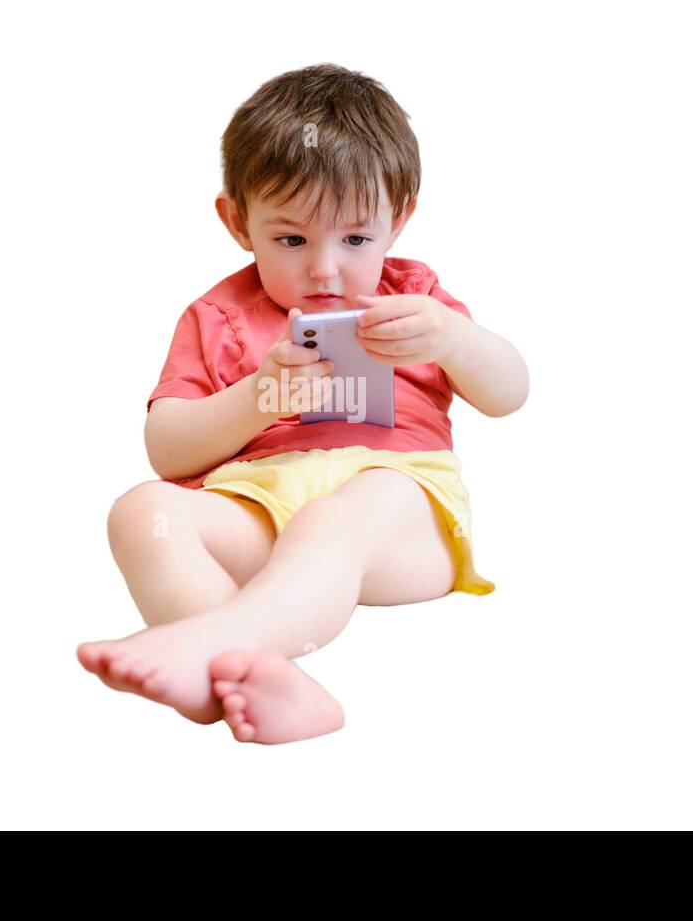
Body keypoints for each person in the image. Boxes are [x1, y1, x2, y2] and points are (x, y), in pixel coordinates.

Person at [78, 63, 530, 744]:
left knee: (331, 518)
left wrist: (456, 340)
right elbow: (167, 450)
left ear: (398, 219)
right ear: (237, 222)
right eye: (291, 240)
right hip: (261, 513)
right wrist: (258, 399)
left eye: (354, 239)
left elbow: (510, 393)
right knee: (143, 513)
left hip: (396, 518)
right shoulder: (220, 316)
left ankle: (210, 645)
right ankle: (253, 679)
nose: (324, 268)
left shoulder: (417, 299)